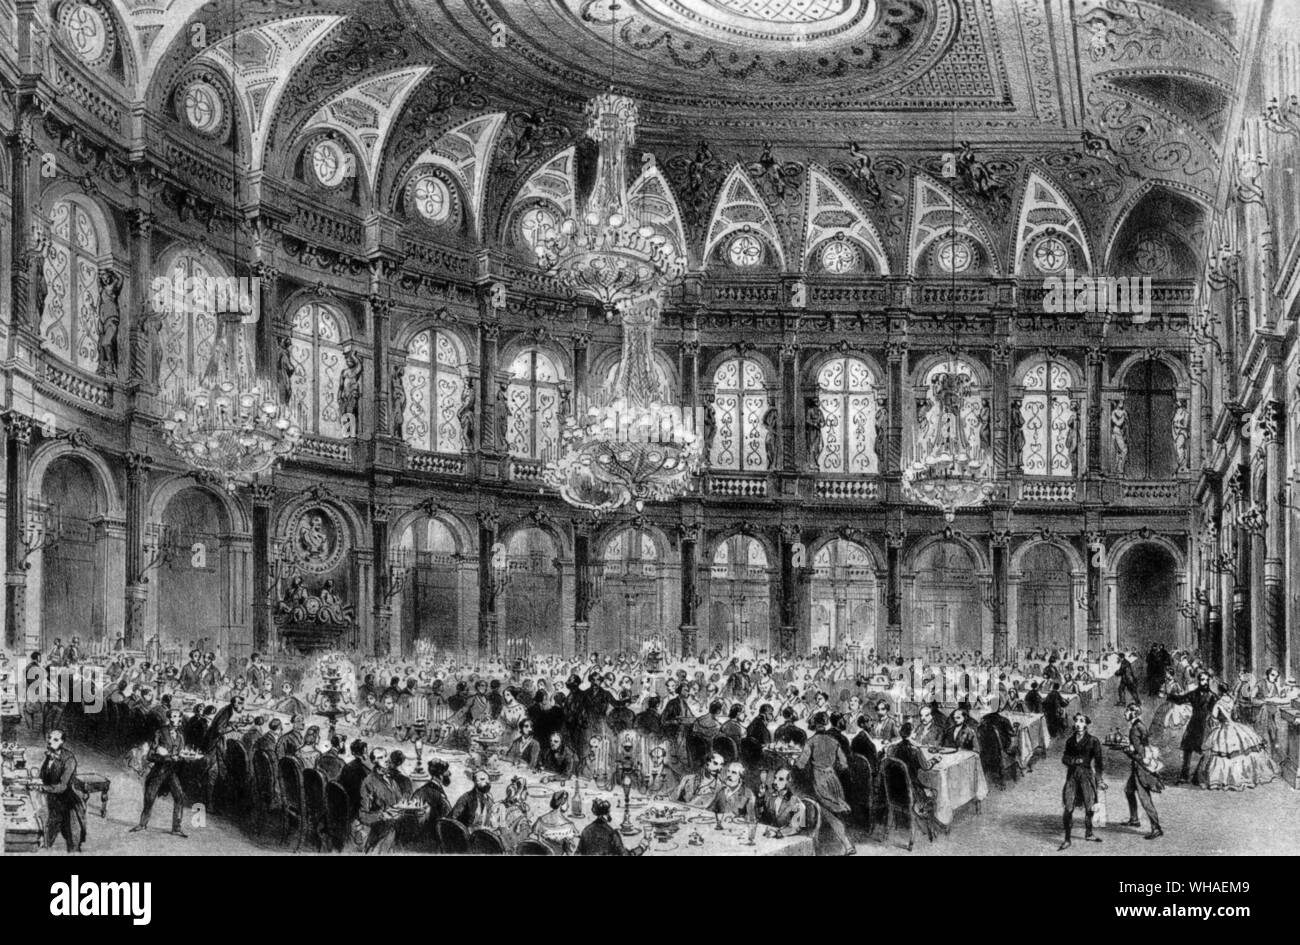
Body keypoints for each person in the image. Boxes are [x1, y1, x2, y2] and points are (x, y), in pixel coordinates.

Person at [795, 712, 855, 856]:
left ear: (815, 725)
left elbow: (801, 764)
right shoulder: (834, 742)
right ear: (826, 724)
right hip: (833, 779)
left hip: (819, 780)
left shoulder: (811, 742)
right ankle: (845, 844)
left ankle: (844, 844)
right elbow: (844, 764)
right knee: (831, 810)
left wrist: (794, 761)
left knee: (826, 811)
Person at [1195, 691, 1281, 791]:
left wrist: (1213, 721)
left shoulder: (1218, 703)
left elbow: (1214, 719)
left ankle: (1227, 780)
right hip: (1235, 726)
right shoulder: (1231, 701)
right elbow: (1235, 716)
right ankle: (1243, 777)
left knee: (1223, 751)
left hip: (1224, 728)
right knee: (1243, 749)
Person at [130, 708, 189, 838]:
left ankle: (176, 828)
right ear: (169, 718)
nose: (176, 719)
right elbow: (150, 756)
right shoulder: (160, 732)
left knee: (179, 797)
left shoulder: (180, 736)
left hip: (171, 772)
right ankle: (142, 824)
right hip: (159, 772)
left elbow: (180, 754)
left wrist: (182, 757)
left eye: (178, 717)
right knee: (149, 797)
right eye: (173, 716)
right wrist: (166, 757)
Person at [1165, 671, 1222, 784]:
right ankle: (1184, 775)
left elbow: (1217, 712)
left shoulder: (1213, 696)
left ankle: (1200, 776)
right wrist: (1169, 695)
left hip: (1206, 725)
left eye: (1206, 680)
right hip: (1194, 724)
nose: (1204, 682)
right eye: (1202, 680)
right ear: (1199, 681)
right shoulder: (1193, 694)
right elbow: (1180, 700)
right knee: (1187, 749)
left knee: (1206, 750)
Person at [1059, 713, 1105, 851]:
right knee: (1068, 807)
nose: (1078, 724)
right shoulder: (1070, 741)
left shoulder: (1093, 741)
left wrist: (1099, 780)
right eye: (1076, 721)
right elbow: (1064, 758)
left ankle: (1089, 832)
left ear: (1086, 724)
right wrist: (1073, 761)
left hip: (1086, 776)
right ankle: (1067, 839)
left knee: (1089, 806)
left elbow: (1098, 763)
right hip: (1072, 776)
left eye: (1081, 721)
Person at [1118, 703, 1162, 840]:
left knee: (1144, 798)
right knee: (1129, 790)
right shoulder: (1138, 726)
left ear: (1134, 713)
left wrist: (1126, 751)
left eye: (1127, 711)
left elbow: (1140, 753)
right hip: (1138, 765)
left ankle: (1156, 828)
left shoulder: (1135, 729)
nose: (1125, 713)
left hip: (1141, 767)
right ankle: (1134, 819)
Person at [39, 729, 86, 852]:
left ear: (62, 742)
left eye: (55, 739)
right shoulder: (50, 755)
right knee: (49, 830)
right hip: (54, 800)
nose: (50, 741)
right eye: (49, 738)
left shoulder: (69, 759)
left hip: (68, 802)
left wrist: (43, 787)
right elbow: (44, 776)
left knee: (72, 837)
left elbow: (62, 786)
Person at [355, 747, 404, 853]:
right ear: (374, 761)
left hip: (396, 832)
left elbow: (400, 803)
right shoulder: (369, 782)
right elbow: (363, 815)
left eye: (386, 755)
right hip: (379, 835)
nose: (386, 759)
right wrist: (381, 816)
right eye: (381, 757)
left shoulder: (391, 779)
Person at [576, 798, 650, 856]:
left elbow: (577, 854)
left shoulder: (586, 831)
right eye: (609, 811)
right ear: (608, 813)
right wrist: (642, 846)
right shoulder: (611, 833)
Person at [757, 767, 806, 838]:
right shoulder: (771, 798)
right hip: (769, 837)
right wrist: (761, 796)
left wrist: (777, 833)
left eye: (781, 779)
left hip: (787, 839)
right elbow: (762, 818)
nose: (775, 782)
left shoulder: (797, 803)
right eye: (775, 778)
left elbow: (795, 828)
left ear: (789, 782)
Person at [708, 762, 758, 826]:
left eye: (734, 772)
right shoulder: (721, 790)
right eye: (728, 771)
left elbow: (751, 819)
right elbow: (710, 810)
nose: (729, 775)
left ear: (740, 776)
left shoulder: (748, 794)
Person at [531, 790, 579, 854]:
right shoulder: (569, 825)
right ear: (562, 803)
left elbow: (534, 834)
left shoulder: (540, 821)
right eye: (567, 802)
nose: (568, 805)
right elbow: (571, 849)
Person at [338, 739, 370, 811]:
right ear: (364, 753)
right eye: (366, 752)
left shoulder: (347, 767)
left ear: (353, 753)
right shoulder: (365, 770)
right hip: (358, 805)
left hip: (346, 802)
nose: (367, 754)